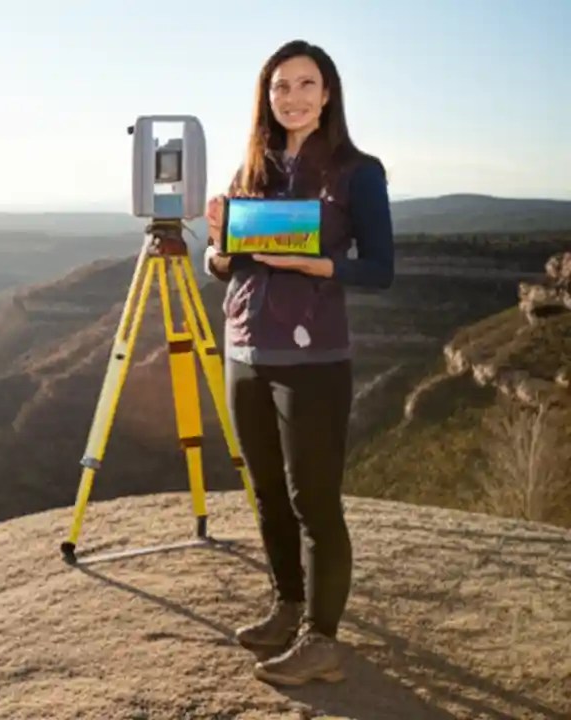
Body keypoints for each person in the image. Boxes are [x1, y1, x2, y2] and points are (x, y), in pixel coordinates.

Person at [203, 39, 395, 686]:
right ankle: (287, 607)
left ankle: (322, 639)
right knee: (266, 493)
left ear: (328, 92)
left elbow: (381, 269)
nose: (293, 97)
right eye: (280, 86)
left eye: (306, 84)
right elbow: (224, 264)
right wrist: (217, 247)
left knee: (312, 498)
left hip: (313, 359)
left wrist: (320, 266)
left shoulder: (358, 172)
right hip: (244, 349)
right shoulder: (251, 170)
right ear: (267, 96)